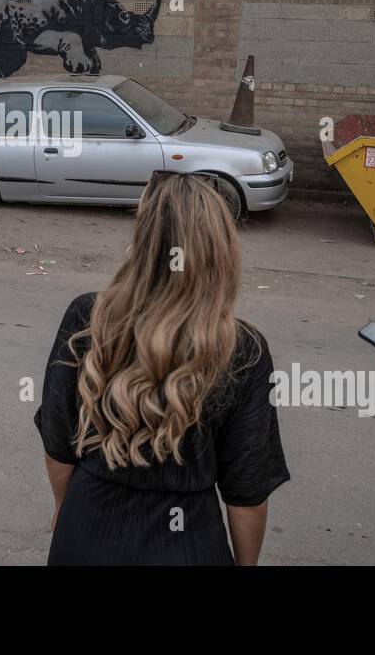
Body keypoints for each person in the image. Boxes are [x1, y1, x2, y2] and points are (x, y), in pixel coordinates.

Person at [34, 171, 289, 564]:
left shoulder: (88, 317)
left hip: (87, 530)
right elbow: (246, 493)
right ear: (221, 250)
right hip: (188, 542)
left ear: (142, 241)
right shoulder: (242, 349)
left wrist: (68, 513)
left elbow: (58, 444)